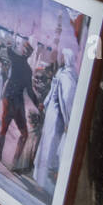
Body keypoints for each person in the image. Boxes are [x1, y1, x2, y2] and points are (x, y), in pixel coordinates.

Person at [33, 48, 77, 196]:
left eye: (64, 57)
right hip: (54, 115)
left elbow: (65, 99)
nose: (62, 59)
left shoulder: (66, 76)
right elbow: (57, 95)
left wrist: (66, 120)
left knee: (49, 147)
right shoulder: (63, 74)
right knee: (47, 146)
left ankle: (42, 183)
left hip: (56, 116)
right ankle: (40, 181)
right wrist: (45, 105)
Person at [0, 41, 41, 167]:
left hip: (10, 99)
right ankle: (12, 161)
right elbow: (30, 90)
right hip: (16, 102)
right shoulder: (27, 70)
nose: (25, 52)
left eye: (27, 51)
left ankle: (3, 156)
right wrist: (37, 103)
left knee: (6, 129)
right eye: (26, 50)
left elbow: (9, 50)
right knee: (22, 134)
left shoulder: (18, 61)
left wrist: (9, 45)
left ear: (24, 52)